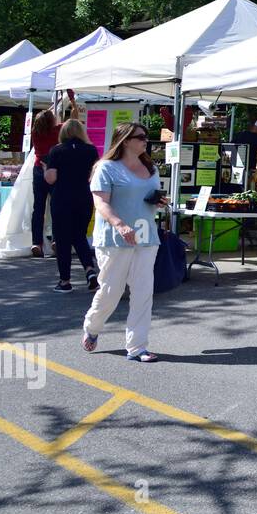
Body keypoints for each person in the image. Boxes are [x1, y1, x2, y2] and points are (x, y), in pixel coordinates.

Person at [82, 122, 165, 363]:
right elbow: (101, 203)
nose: (145, 141)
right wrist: (119, 224)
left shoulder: (150, 168)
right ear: (126, 140)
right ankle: (92, 326)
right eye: (140, 137)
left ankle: (137, 346)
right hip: (114, 238)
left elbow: (146, 197)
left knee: (143, 291)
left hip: (146, 236)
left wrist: (157, 202)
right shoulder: (106, 168)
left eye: (146, 137)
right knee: (111, 290)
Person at [42, 119, 100, 293]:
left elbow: (51, 178)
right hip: (84, 196)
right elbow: (94, 175)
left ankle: (65, 280)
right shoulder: (91, 150)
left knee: (63, 239)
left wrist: (46, 169)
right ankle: (89, 270)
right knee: (79, 236)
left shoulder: (57, 151)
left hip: (62, 197)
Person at [29, 108, 61, 257]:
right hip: (54, 170)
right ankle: (56, 239)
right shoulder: (57, 131)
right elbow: (73, 119)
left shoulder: (35, 133)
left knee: (38, 209)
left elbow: (43, 119)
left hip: (38, 169)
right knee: (56, 206)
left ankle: (37, 243)